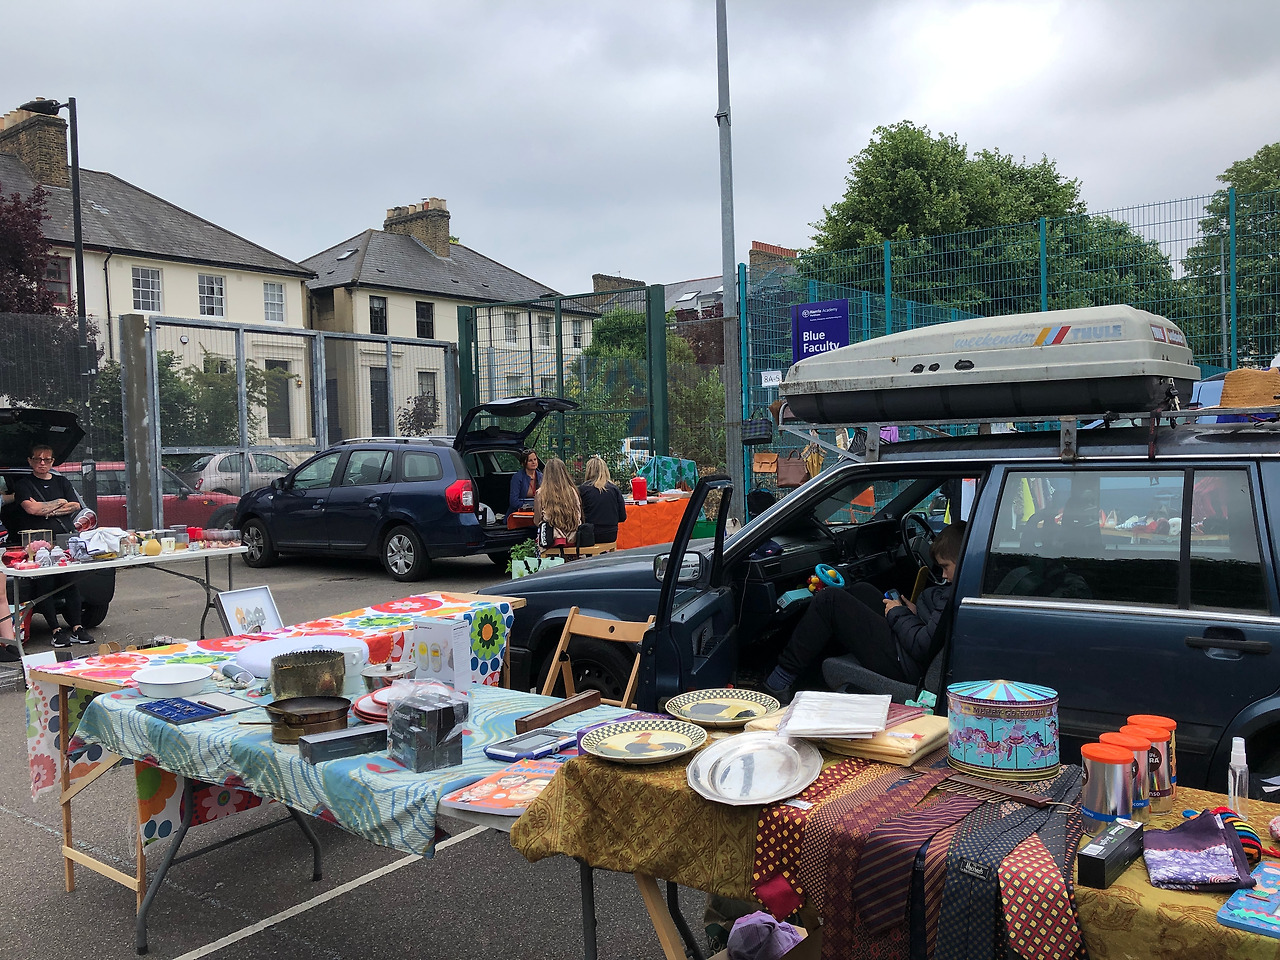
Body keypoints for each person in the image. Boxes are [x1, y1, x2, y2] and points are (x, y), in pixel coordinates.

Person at [763, 521, 966, 701]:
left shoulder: (953, 594)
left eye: (945, 566)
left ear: (963, 559)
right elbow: (934, 630)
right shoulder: (962, 587)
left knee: (829, 600)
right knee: (863, 591)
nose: (944, 575)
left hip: (907, 664)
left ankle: (779, 682)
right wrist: (915, 613)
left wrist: (899, 613)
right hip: (910, 649)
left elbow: (923, 646)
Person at [12, 442, 92, 648]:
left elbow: (75, 505)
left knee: (70, 583)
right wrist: (59, 503)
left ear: (52, 461)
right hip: (37, 544)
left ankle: (77, 628)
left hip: (64, 540)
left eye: (46, 459)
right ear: (30, 461)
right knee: (44, 585)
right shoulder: (23, 484)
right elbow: (31, 509)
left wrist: (47, 509)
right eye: (37, 458)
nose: (42, 462)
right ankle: (56, 630)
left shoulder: (62, 481)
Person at [578, 456, 627, 545]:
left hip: (590, 534)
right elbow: (622, 516)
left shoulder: (583, 489)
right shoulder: (614, 489)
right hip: (610, 534)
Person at [533, 457, 582, 546]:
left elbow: (537, 521)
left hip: (551, 541)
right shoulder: (572, 491)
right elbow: (579, 514)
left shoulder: (540, 493)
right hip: (573, 540)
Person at [508, 449, 542, 515]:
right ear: (523, 463)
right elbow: (513, 501)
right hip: (520, 513)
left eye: (535, 459)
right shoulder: (517, 477)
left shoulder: (541, 476)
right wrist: (529, 507)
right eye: (530, 460)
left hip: (539, 513)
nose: (533, 462)